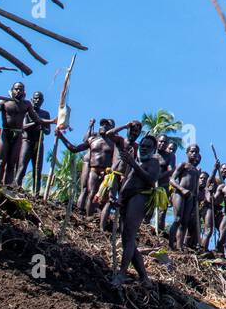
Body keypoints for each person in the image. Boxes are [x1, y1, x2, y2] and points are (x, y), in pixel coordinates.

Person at [111, 133, 162, 287]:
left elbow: (151, 180)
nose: (144, 148)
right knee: (128, 239)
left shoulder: (153, 162)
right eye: (143, 145)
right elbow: (126, 181)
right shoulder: (135, 162)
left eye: (148, 147)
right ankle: (145, 278)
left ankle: (121, 274)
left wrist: (133, 163)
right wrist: (119, 198)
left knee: (129, 235)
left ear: (154, 149)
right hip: (127, 199)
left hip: (140, 198)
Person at [56, 118, 115, 215]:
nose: (103, 126)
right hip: (94, 171)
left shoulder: (115, 143)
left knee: (102, 197)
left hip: (106, 174)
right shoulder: (92, 139)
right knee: (91, 193)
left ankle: (96, 217)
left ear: (112, 128)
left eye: (107, 125)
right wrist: (61, 136)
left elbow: (117, 160)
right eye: (102, 124)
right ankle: (87, 216)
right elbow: (74, 149)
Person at [0, 82, 45, 187]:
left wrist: (51, 121)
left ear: (24, 91)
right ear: (12, 90)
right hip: (6, 133)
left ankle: (7, 187)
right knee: (1, 162)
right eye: (16, 89)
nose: (18, 91)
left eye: (21, 89)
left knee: (12, 164)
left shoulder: (26, 104)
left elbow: (37, 120)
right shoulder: (4, 101)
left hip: (18, 134)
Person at [16, 90, 53, 194]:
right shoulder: (27, 111)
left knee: (37, 169)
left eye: (39, 99)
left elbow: (48, 131)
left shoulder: (45, 114)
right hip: (27, 141)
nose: (37, 100)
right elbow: (23, 127)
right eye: (35, 98)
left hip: (38, 143)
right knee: (22, 166)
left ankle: (36, 192)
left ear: (42, 101)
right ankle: (16, 187)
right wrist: (37, 122)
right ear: (32, 99)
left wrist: (42, 127)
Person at [168, 143, 202, 251]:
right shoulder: (183, 165)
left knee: (184, 222)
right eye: (192, 151)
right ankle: (170, 244)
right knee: (177, 219)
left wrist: (195, 197)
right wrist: (182, 189)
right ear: (187, 153)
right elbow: (172, 180)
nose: (194, 154)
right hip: (179, 194)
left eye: (196, 152)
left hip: (190, 197)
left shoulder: (196, 171)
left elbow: (195, 187)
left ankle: (179, 246)